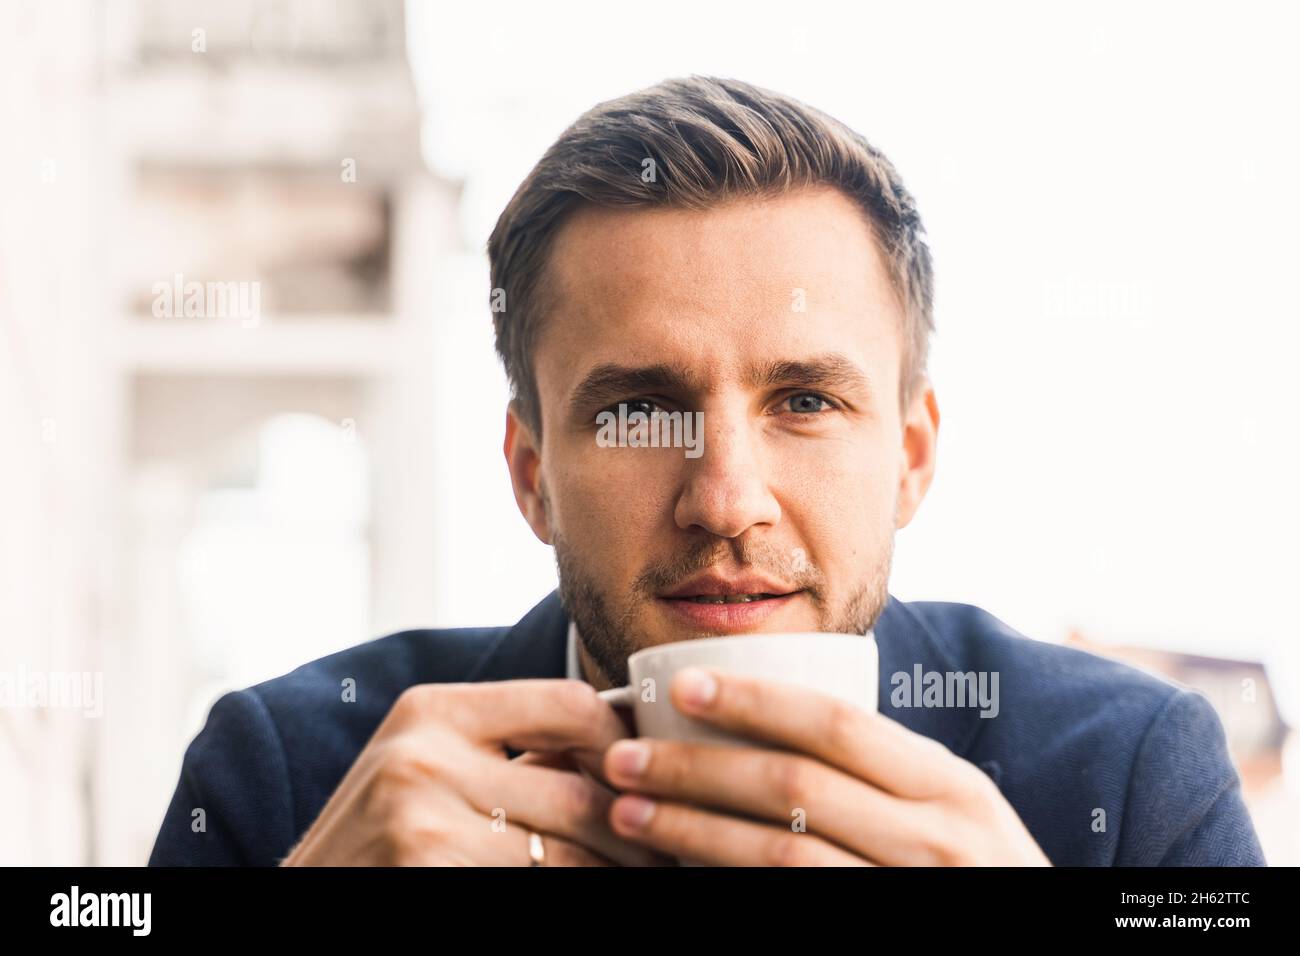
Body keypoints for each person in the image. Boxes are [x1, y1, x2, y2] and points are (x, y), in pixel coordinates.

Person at [149, 76, 1265, 867]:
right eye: (639, 409)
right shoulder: (295, 779)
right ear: (530, 470)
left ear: (912, 457)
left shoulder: (1129, 783)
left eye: (806, 401)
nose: (725, 498)